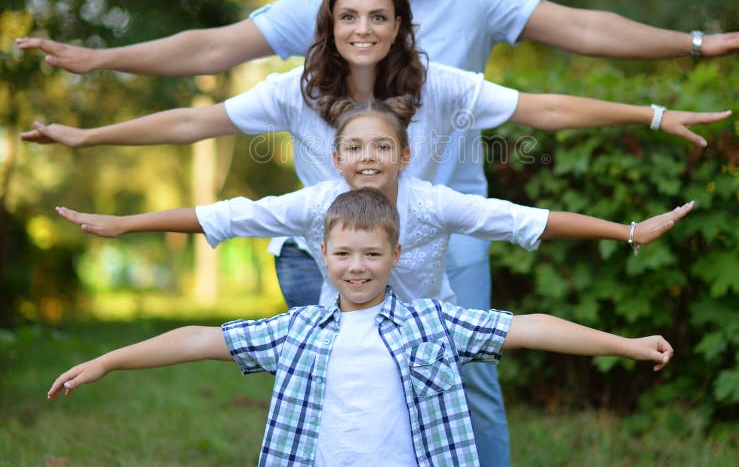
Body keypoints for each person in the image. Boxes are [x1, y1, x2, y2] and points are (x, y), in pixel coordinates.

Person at [23, 0, 727, 465]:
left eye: (379, 15)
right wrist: (90, 137)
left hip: (422, 289)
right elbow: (200, 148)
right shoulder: (295, 108)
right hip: (320, 257)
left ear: (401, 25)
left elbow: (537, 140)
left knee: (445, 389)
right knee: (331, 379)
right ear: (328, 26)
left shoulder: (437, 116)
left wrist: (654, 117)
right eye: (348, 15)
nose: (363, 28)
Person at [48, 188, 674, 467]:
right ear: (323, 255)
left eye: (372, 255)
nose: (357, 267)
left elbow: (532, 327)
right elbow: (196, 338)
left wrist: (624, 346)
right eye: (344, 255)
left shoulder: (434, 323)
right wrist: (108, 360)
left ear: (396, 257)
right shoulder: (297, 332)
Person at [54, 98, 696, 306]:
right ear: (335, 159)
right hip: (350, 323)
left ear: (405, 156)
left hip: (425, 326)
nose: (366, 158)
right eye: (353, 148)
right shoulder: (315, 203)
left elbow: (528, 222)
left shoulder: (435, 201)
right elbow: (223, 216)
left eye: (380, 148)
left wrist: (629, 231)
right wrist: (125, 224)